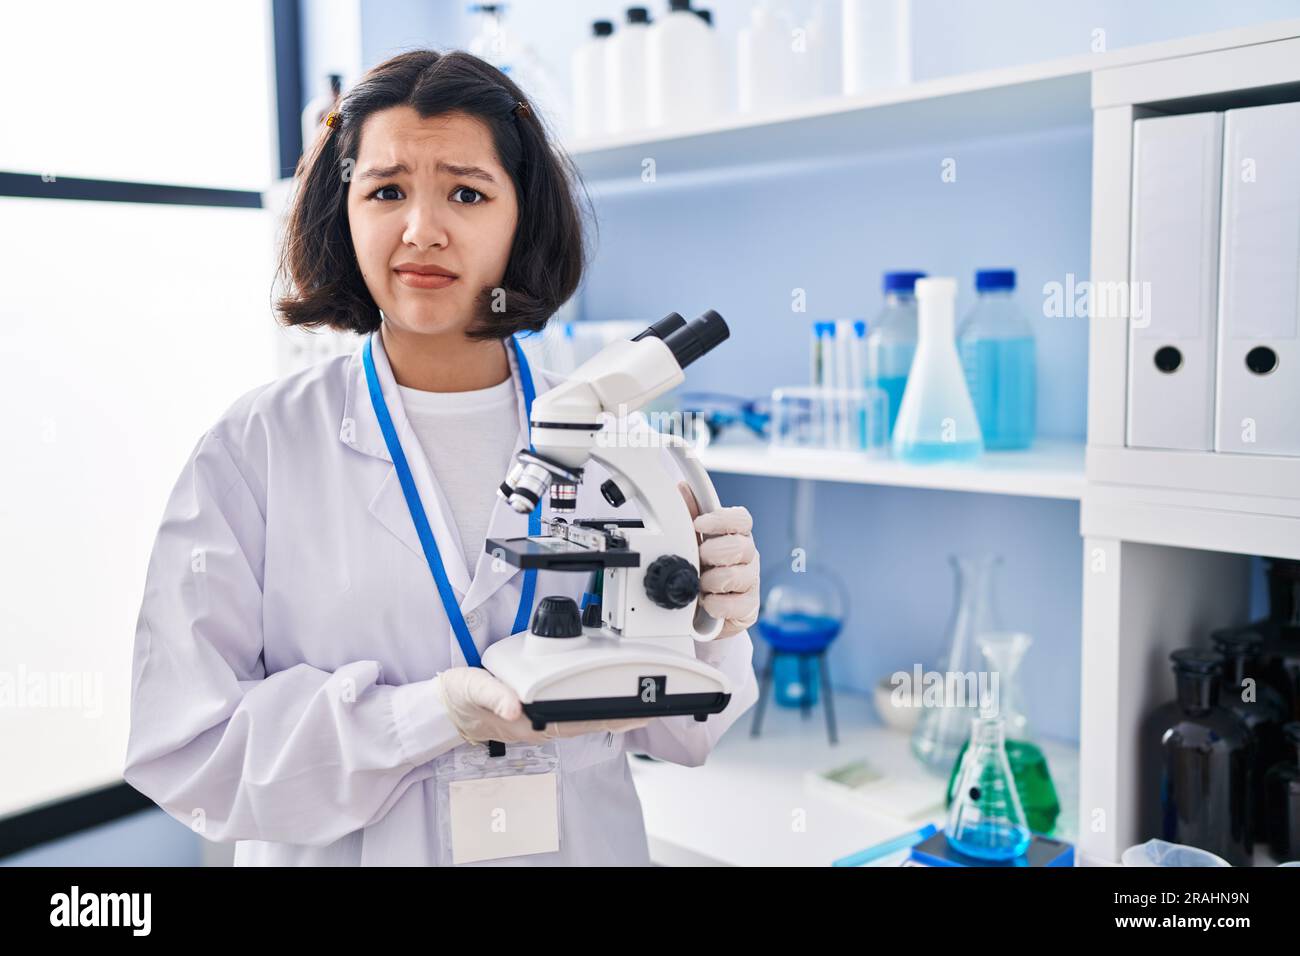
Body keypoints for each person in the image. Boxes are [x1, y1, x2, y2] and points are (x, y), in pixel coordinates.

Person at [122, 49, 760, 866]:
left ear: (521, 216)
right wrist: (426, 717)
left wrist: (714, 622)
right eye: (386, 190)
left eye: (467, 191)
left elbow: (683, 732)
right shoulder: (255, 449)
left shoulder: (615, 438)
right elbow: (185, 744)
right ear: (340, 211)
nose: (422, 228)